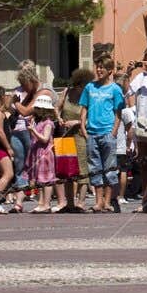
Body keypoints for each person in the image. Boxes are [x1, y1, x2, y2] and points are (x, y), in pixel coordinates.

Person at [79, 56, 126, 214]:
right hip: (92, 133)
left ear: (110, 71)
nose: (99, 70)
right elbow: (84, 108)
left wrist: (113, 132)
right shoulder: (90, 87)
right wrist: (83, 127)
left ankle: (107, 201)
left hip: (107, 132)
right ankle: (98, 202)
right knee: (95, 169)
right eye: (97, 67)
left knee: (109, 169)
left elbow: (118, 112)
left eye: (102, 68)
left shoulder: (115, 89)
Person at [57, 69, 91, 213]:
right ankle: (69, 203)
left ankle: (81, 203)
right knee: (66, 170)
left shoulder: (89, 96)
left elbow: (90, 118)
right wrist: (58, 118)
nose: (80, 87)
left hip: (80, 135)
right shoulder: (66, 92)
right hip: (65, 136)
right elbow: (57, 108)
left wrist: (77, 122)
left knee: (82, 168)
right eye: (78, 84)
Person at [7, 62, 43, 195]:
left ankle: (36, 189)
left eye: (26, 70)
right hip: (16, 129)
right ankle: (21, 191)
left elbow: (29, 111)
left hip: (30, 129)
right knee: (19, 161)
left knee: (34, 160)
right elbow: (9, 108)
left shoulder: (38, 90)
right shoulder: (17, 90)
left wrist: (17, 104)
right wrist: (12, 105)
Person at [27, 93, 58, 213]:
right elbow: (34, 138)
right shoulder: (40, 122)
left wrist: (33, 130)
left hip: (45, 154)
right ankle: (41, 202)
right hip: (38, 153)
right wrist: (32, 127)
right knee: (40, 179)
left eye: (38, 108)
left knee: (47, 179)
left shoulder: (48, 123)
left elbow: (45, 139)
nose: (36, 110)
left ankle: (46, 203)